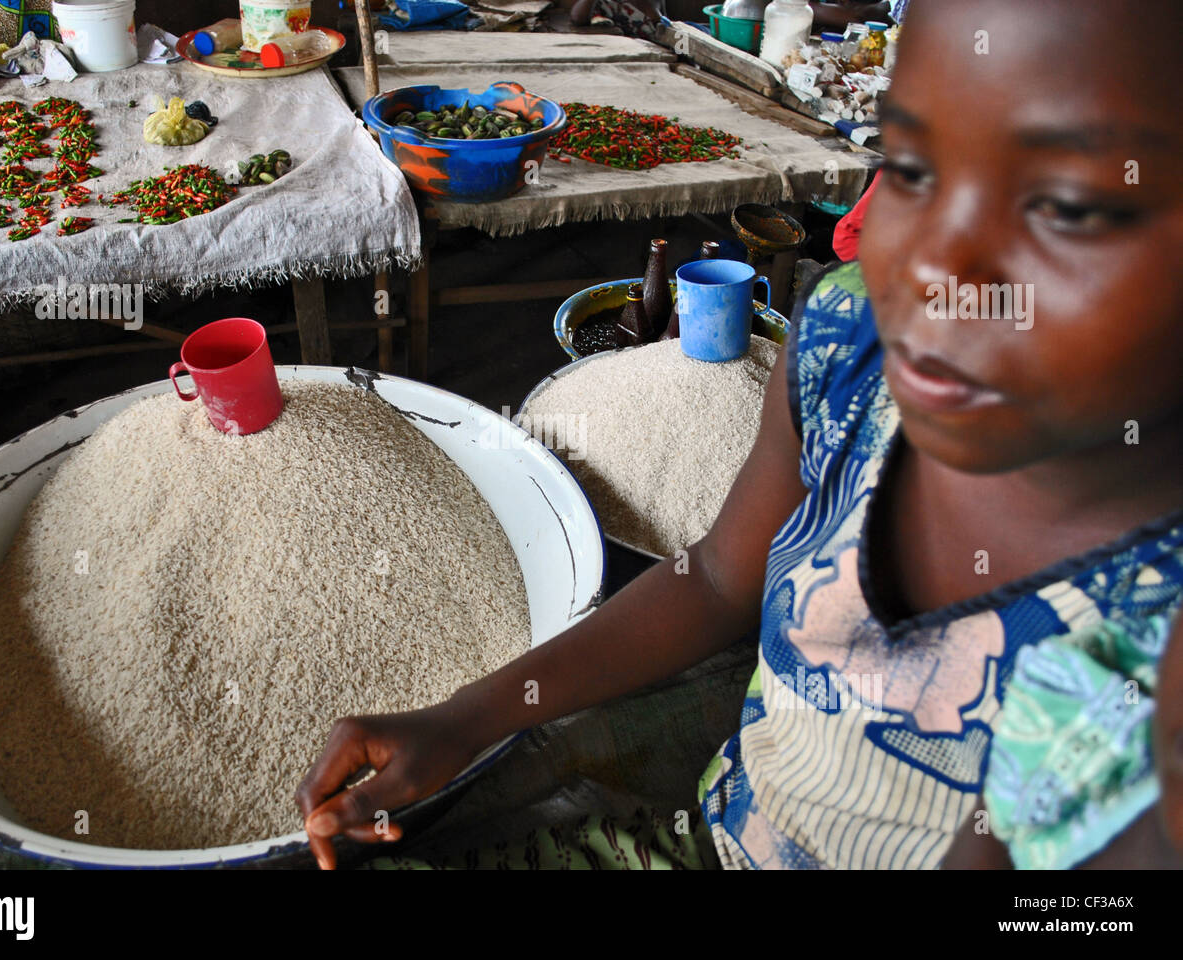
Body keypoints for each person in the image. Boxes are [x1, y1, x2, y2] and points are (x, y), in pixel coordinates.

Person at [295, 0, 1183, 870]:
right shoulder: (849, 348)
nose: (931, 269)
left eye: (1066, 205)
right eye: (914, 167)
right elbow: (722, 575)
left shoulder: (1148, 650)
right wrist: (470, 715)